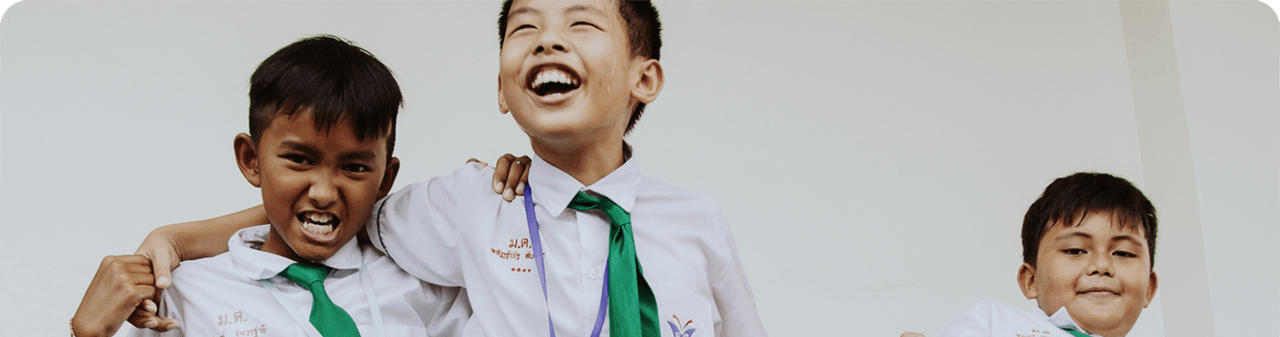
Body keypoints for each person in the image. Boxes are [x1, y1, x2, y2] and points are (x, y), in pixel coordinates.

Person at [123, 1, 766, 336]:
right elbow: (336, 208)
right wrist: (178, 240)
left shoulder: (698, 223)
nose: (548, 39)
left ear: (644, 77)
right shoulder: (470, 202)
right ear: (501, 90)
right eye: (525, 27)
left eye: (581, 23)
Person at [69, 35, 499, 337]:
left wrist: (510, 194)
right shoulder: (185, 294)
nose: (325, 192)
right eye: (299, 160)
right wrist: (88, 335)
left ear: (386, 179)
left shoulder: (423, 278)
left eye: (353, 167)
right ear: (251, 160)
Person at [937, 172, 1159, 337]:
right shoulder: (992, 322)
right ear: (1031, 280)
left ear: (1149, 288)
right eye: (1075, 250)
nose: (1101, 265)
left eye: (1123, 253)